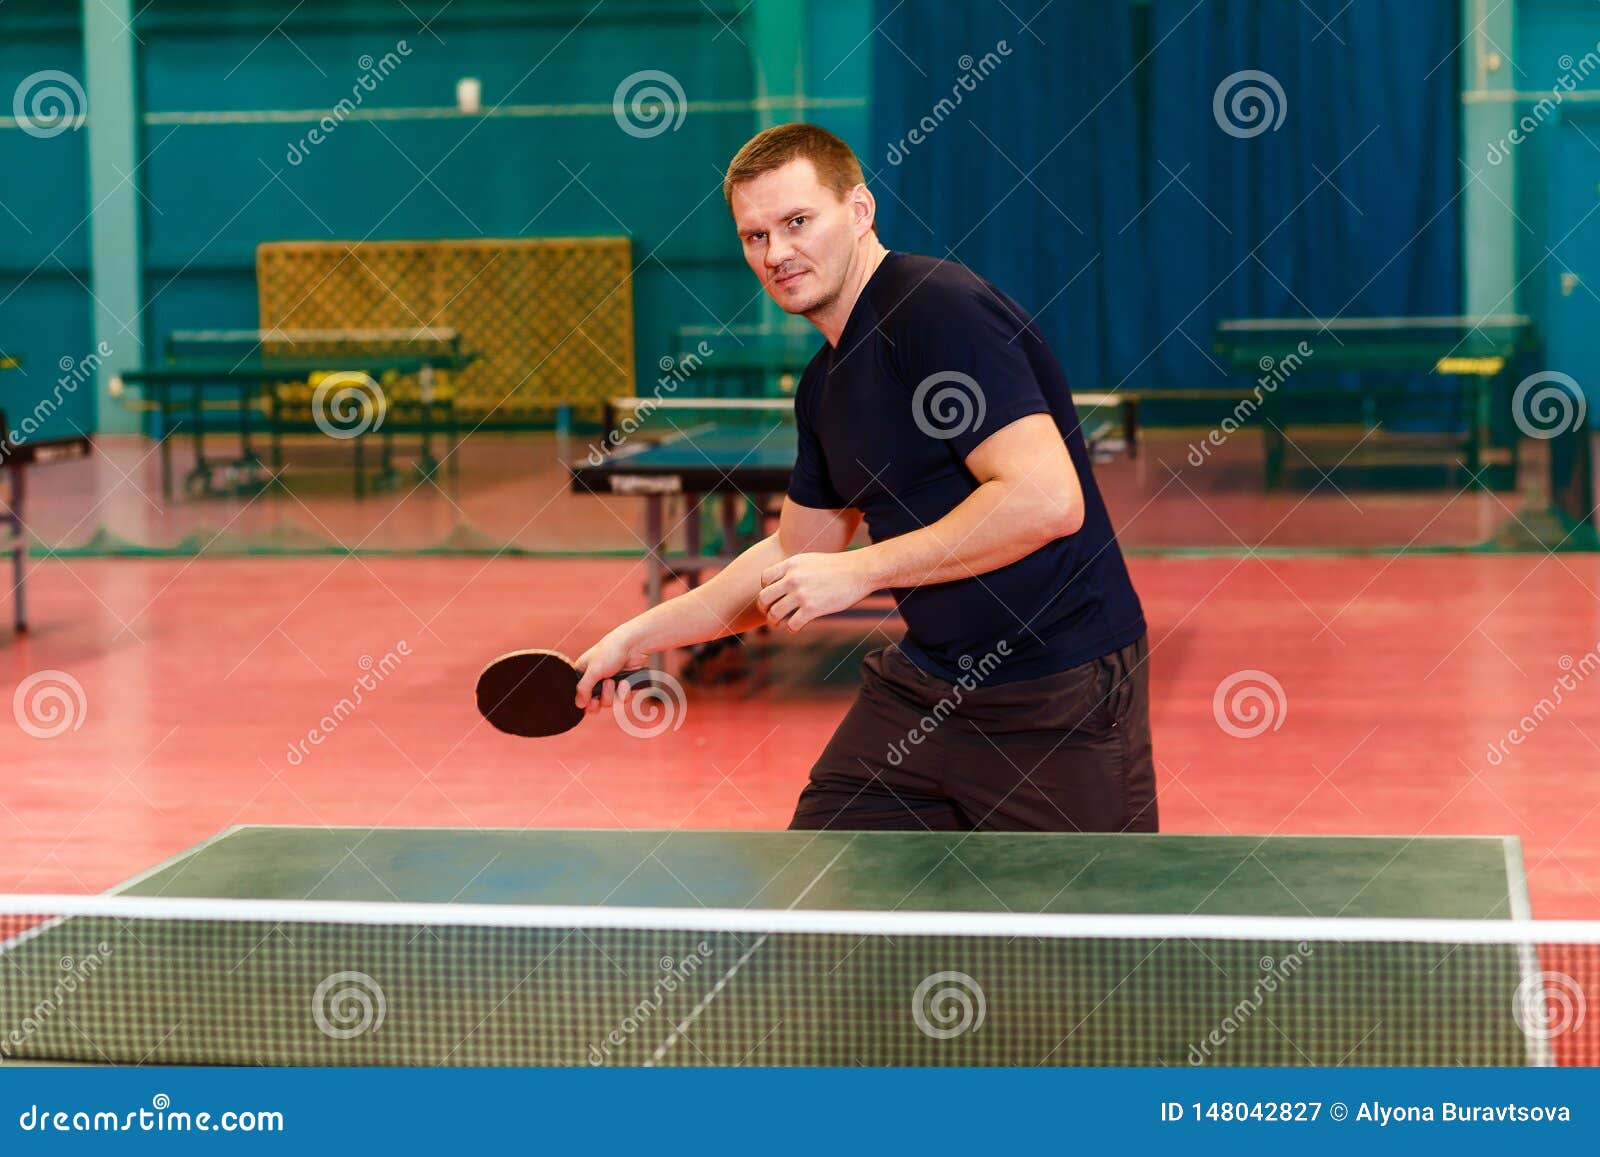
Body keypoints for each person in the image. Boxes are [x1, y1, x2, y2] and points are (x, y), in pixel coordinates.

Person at [576, 122, 1155, 833]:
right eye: (755, 236)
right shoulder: (823, 385)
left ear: (858, 212)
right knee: (828, 895)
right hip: (928, 690)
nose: (777, 253)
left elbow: (1046, 500)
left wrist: (861, 571)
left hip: (1058, 691)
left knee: (1082, 943)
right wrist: (637, 636)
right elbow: (795, 554)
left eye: (796, 222)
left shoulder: (936, 309)